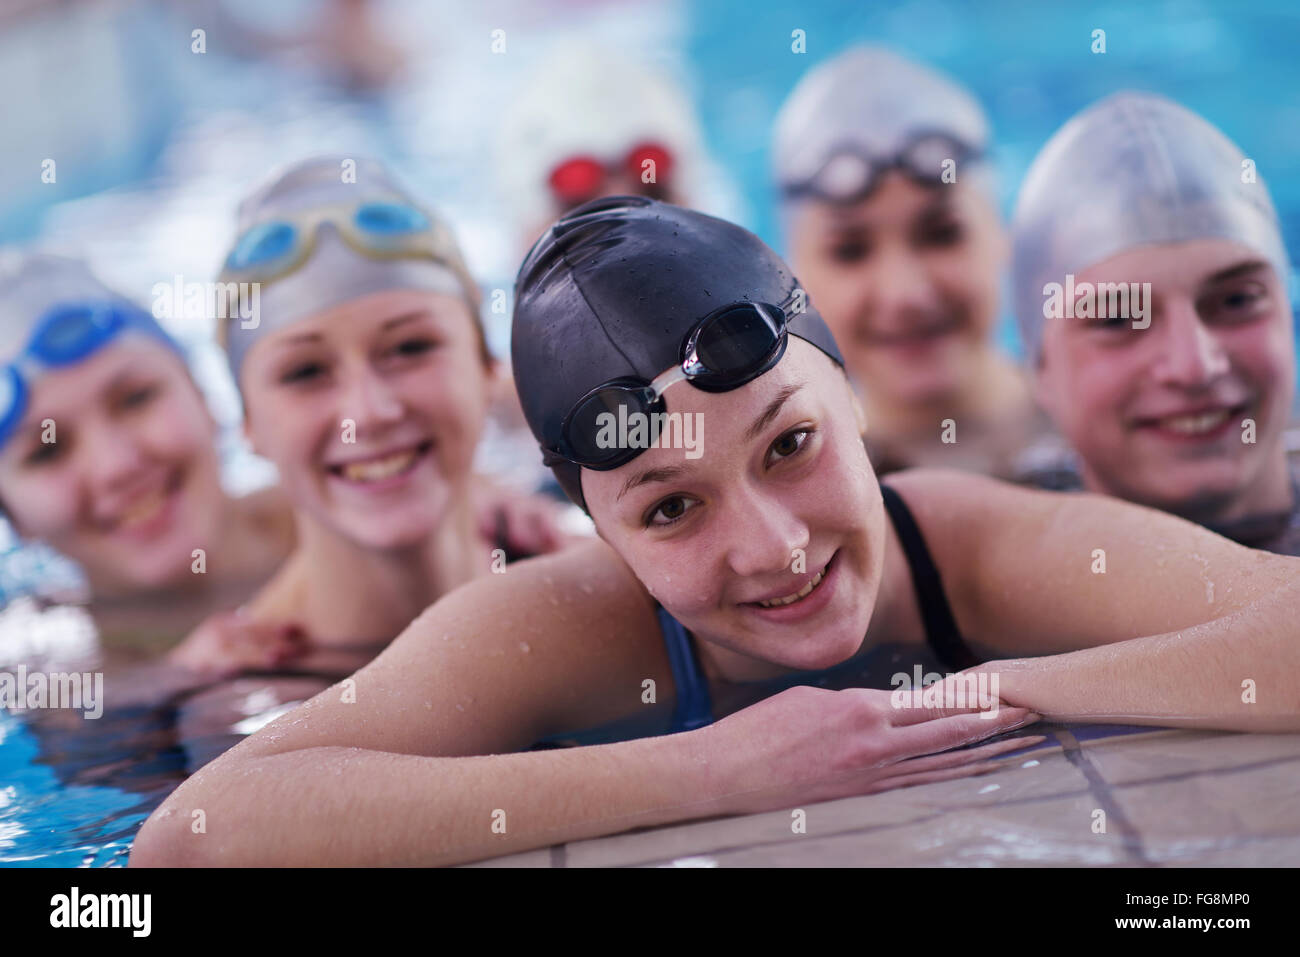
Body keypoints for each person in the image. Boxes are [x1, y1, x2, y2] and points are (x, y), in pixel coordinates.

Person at [132, 197, 1300, 868]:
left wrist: (988, 692)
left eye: (790, 445)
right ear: (596, 528)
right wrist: (715, 769)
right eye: (671, 509)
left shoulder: (968, 545)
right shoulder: (567, 625)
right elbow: (191, 840)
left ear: (853, 402)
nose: (775, 546)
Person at [1012, 91, 1300, 554]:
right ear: (1039, 367)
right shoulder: (983, 572)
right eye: (1119, 318)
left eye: (1237, 300)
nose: (1194, 367)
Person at [773, 46, 1046, 477]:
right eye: (850, 250)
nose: (906, 294)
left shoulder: (1101, 422)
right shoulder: (795, 485)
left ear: (1001, 233)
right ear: (794, 277)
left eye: (942, 235)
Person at [0, 253, 293, 644]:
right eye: (47, 451)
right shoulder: (47, 679)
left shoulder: (359, 518)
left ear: (203, 396)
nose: (116, 466)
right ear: (11, 513)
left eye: (136, 399)